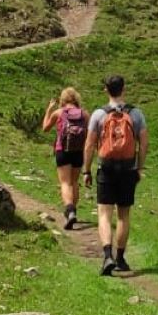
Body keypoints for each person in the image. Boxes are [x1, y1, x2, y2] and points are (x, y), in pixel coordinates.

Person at [83, 73, 148, 276]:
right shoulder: (136, 114)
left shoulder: (99, 114)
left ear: (106, 90)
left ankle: (107, 256)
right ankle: (120, 258)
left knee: (104, 213)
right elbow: (144, 144)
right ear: (124, 89)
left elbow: (89, 145)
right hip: (128, 169)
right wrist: (139, 168)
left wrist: (86, 170)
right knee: (123, 215)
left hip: (106, 168)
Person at [41, 87, 90, 230]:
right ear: (76, 99)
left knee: (65, 182)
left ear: (63, 99)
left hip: (62, 150)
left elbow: (45, 128)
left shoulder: (59, 112)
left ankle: (69, 210)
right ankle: (73, 211)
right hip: (78, 151)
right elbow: (90, 134)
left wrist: (48, 110)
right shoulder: (84, 114)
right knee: (74, 182)